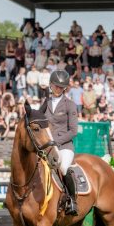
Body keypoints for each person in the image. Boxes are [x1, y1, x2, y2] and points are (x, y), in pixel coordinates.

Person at [46, 70, 80, 216]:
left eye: (61, 87)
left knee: (64, 167)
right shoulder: (45, 103)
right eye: (55, 86)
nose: (58, 89)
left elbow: (73, 131)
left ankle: (72, 200)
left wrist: (55, 141)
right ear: (50, 85)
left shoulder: (70, 105)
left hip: (64, 146)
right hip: (47, 147)